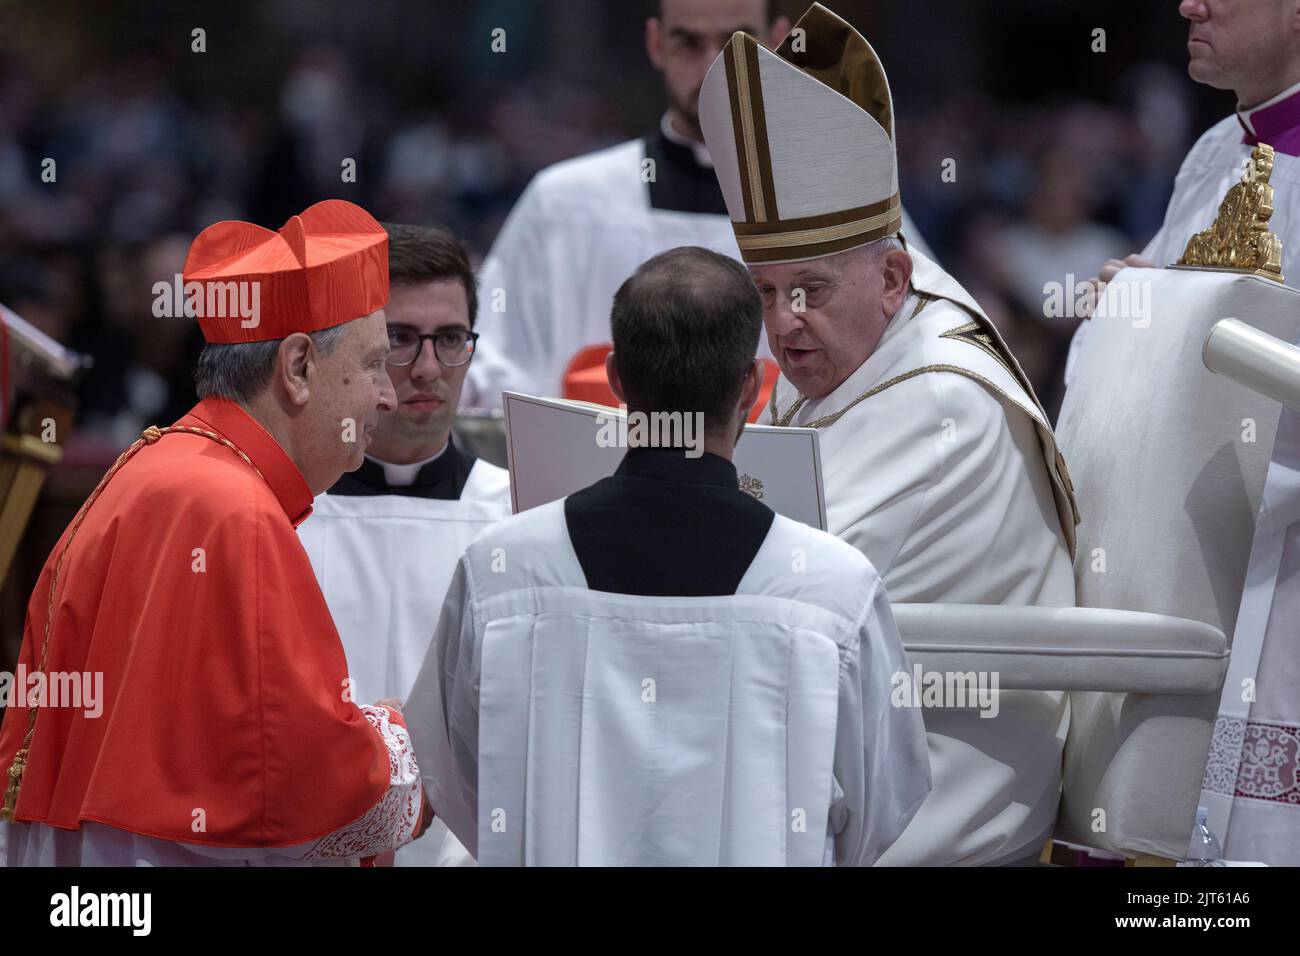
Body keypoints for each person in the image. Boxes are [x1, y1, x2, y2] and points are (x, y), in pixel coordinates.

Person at [698, 3, 1080, 865]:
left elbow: (770, 593)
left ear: (894, 275)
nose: (784, 326)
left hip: (937, 814)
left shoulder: (933, 398)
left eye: (810, 290)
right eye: (763, 293)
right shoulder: (862, 344)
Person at [404, 246, 930, 866]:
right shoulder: (832, 589)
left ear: (618, 379)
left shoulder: (503, 571)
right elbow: (878, 806)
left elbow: (452, 779)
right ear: (751, 387)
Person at [0, 200, 427, 866]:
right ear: (298, 368)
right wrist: (402, 744)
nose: (388, 397)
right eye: (374, 365)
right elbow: (292, 789)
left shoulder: (173, 465)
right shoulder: (229, 508)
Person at [1065, 0, 1300, 865]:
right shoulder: (1213, 152)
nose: (1188, 5)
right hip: (1184, 547)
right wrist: (1136, 298)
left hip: (1285, 566)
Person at [298, 223, 509, 867]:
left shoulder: (516, 515)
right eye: (399, 339)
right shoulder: (287, 518)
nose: (426, 369)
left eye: (450, 340)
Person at [462, 0, 792, 409]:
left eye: (735, 44)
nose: (713, 68)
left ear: (777, 43)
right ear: (656, 44)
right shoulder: (565, 202)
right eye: (688, 43)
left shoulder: (840, 210)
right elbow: (494, 368)